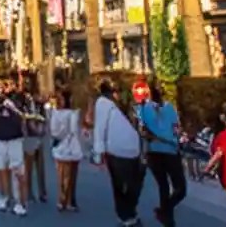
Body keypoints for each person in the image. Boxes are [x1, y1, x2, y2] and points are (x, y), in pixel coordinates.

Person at [93, 80, 144, 226]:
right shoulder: (103, 103)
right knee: (121, 184)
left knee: (134, 182)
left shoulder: (123, 105)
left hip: (132, 149)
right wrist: (99, 152)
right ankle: (125, 215)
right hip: (116, 149)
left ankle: (128, 211)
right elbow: (100, 127)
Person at [139, 84, 185, 227]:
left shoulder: (148, 109)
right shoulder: (165, 108)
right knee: (176, 187)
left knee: (167, 186)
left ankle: (166, 212)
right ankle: (167, 216)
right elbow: (176, 128)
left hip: (158, 151)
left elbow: (143, 131)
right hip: (166, 150)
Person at [0, 79, 29, 216]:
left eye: (7, 85)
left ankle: (20, 201)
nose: (3, 88)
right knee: (0, 169)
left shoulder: (18, 98)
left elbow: (23, 112)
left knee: (18, 170)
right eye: (0, 86)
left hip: (15, 139)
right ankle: (3, 196)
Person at [48, 89, 83, 212]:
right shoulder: (74, 113)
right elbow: (75, 130)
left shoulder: (55, 113)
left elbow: (53, 131)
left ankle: (61, 200)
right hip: (72, 147)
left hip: (60, 147)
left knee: (61, 175)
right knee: (71, 175)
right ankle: (69, 201)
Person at [21, 87, 49, 203]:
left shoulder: (41, 106)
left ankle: (42, 192)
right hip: (29, 138)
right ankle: (29, 192)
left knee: (40, 167)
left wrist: (42, 131)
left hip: (39, 138)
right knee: (28, 168)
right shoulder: (26, 106)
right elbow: (25, 121)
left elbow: (45, 120)